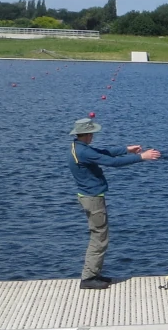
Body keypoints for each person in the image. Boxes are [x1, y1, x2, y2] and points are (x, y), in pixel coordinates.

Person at [68, 118, 161, 289]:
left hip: (88, 197)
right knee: (99, 238)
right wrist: (141, 157)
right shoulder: (84, 152)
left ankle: (94, 273)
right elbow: (112, 162)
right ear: (88, 134)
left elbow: (104, 152)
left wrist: (126, 149)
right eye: (92, 134)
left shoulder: (78, 147)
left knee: (99, 236)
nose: (93, 137)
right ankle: (88, 278)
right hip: (93, 199)